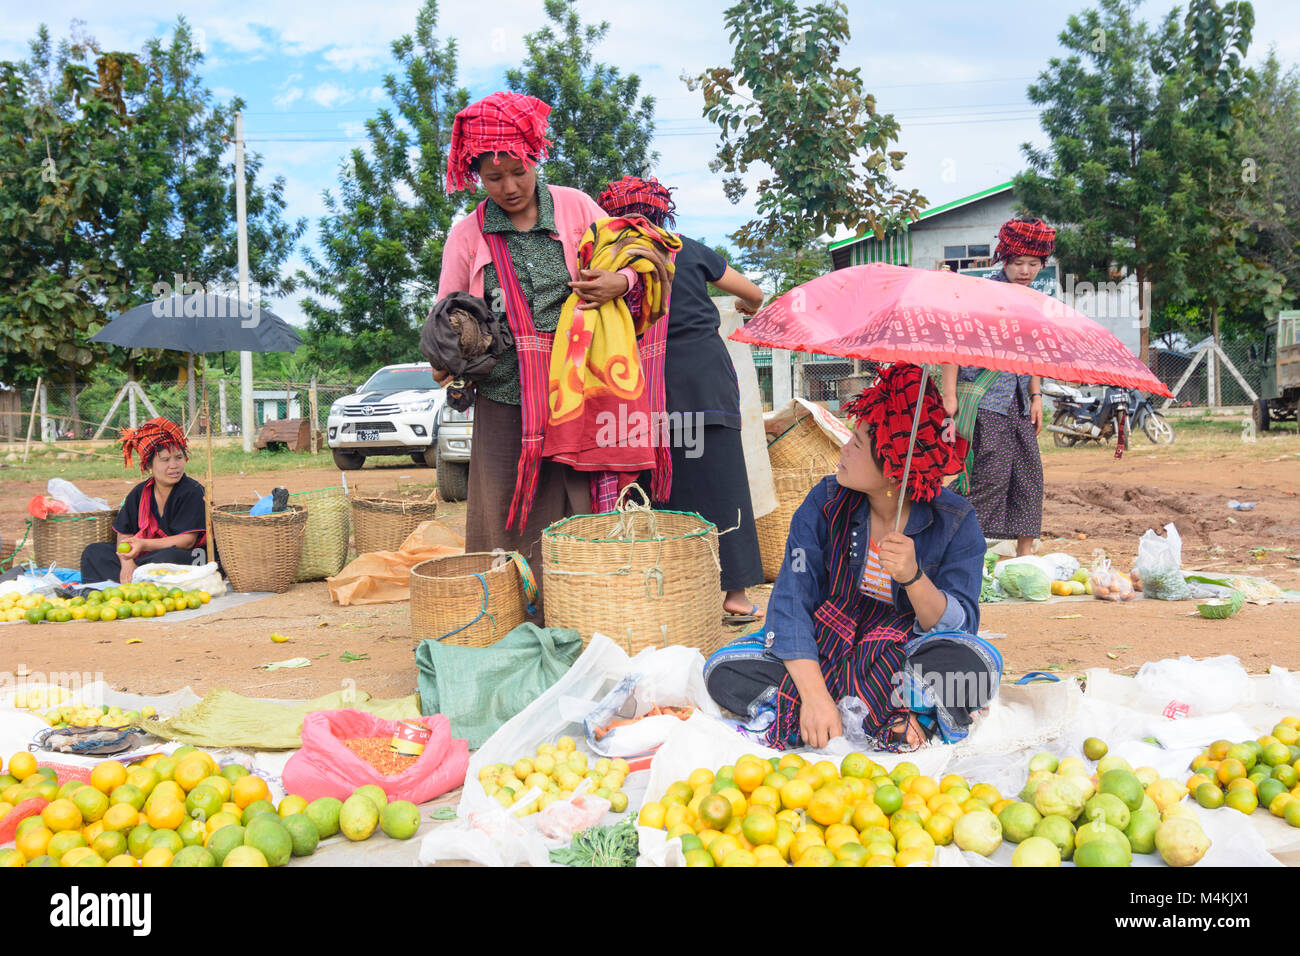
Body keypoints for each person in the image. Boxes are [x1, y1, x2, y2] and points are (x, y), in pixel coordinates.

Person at [704, 364, 1001, 752]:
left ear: (895, 470)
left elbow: (959, 625)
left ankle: (890, 714)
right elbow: (792, 599)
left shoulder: (955, 521)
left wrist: (913, 577)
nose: (843, 448)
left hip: (901, 660)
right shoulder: (824, 503)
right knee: (722, 670)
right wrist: (814, 696)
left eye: (856, 443)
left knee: (974, 665)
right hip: (825, 649)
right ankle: (856, 714)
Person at [432, 91, 645, 603]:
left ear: (534, 157)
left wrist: (619, 284)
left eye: (518, 172)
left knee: (584, 502)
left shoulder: (576, 208)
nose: (508, 187)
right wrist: (452, 353)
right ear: (477, 176)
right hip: (506, 394)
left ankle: (587, 604)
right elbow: (447, 310)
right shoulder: (468, 234)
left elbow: (639, 261)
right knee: (506, 503)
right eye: (493, 177)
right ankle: (512, 609)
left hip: (581, 390)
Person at [596, 175, 768, 623]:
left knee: (656, 491)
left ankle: (664, 589)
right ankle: (735, 596)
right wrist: (745, 309)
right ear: (662, 213)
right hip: (706, 385)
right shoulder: (686, 247)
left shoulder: (607, 260)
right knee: (721, 485)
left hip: (642, 392)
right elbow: (753, 294)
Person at [940, 217, 1054, 557]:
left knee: (1030, 476)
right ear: (1003, 260)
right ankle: (957, 549)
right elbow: (952, 346)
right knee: (986, 479)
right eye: (1018, 263)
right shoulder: (979, 297)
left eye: (1034, 264)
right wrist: (948, 397)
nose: (1025, 270)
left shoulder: (1034, 300)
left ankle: (1025, 556)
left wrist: (1036, 396)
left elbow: (1032, 352)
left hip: (1018, 402)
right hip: (983, 399)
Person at [81, 417, 206, 585]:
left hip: (185, 557)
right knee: (94, 552)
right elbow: (124, 534)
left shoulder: (193, 491)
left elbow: (187, 541)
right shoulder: (139, 493)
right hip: (144, 557)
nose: (174, 465)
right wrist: (126, 562)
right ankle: (135, 580)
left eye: (178, 457)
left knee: (168, 556)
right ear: (148, 466)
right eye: (165, 460)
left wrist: (143, 544)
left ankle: (138, 580)